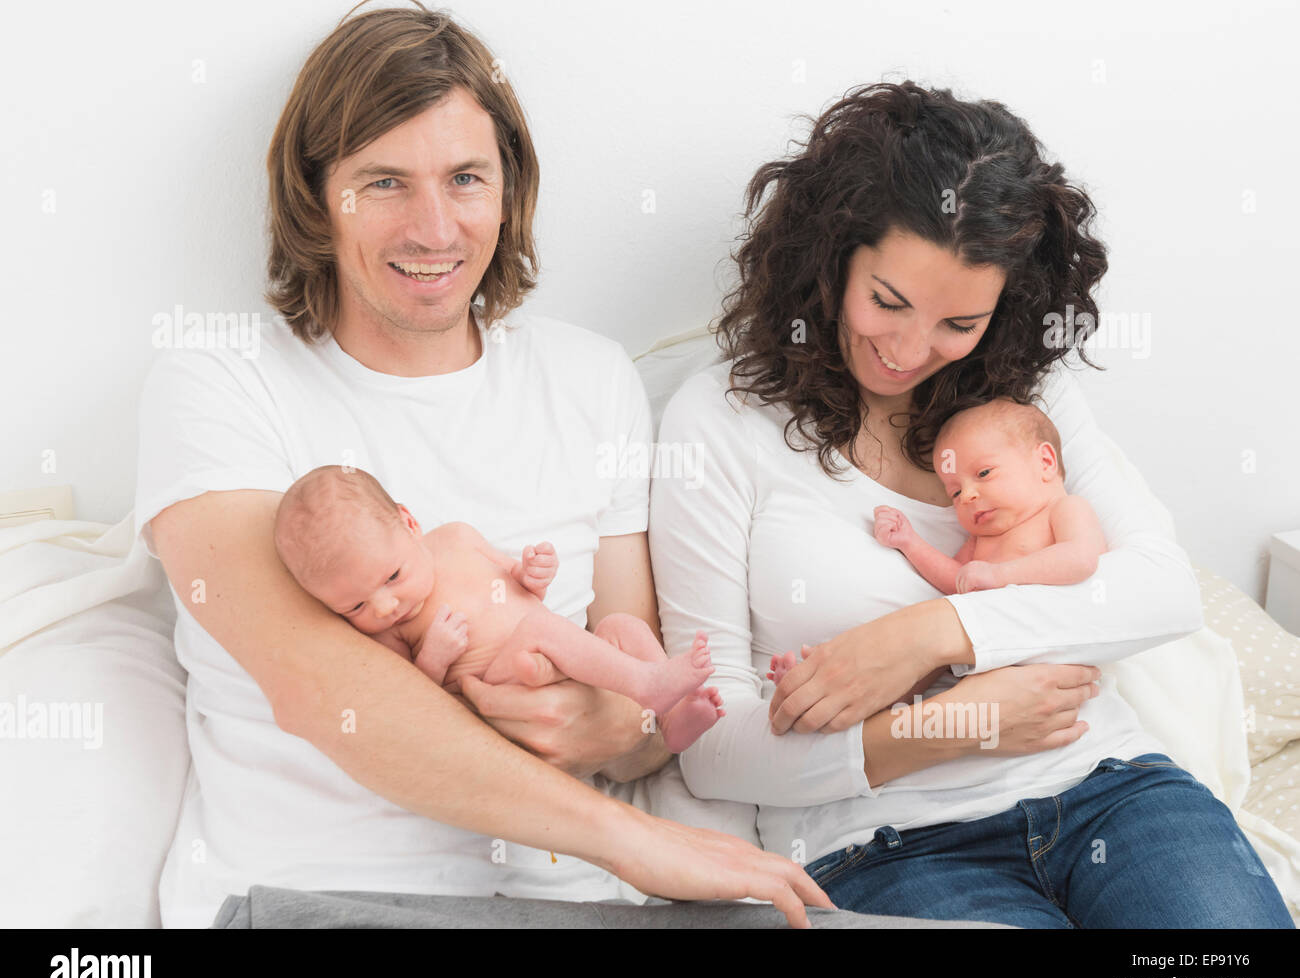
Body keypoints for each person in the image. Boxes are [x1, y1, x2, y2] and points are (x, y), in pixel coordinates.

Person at [134, 5, 840, 928]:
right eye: (384, 182)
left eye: (465, 178)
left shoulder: (589, 381)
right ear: (316, 196)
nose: (434, 228)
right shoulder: (218, 381)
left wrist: (616, 729)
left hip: (572, 907)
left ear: (508, 194)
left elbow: (641, 691)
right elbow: (319, 684)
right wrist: (631, 838)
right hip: (316, 897)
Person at [649, 80, 1294, 928]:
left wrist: (930, 634)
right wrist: (957, 723)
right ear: (831, 254)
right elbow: (713, 751)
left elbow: (1162, 591)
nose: (911, 351)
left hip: (1108, 792)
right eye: (887, 302)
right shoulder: (721, 420)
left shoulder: (1027, 400)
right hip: (886, 843)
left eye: (960, 322)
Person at [272, 465, 724, 751]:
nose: (387, 606)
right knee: (539, 630)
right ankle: (646, 684)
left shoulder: (457, 538)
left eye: (392, 577)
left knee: (620, 624)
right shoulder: (386, 631)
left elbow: (517, 581)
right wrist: (435, 656)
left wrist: (532, 572)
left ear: (409, 524)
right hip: (505, 682)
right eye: (354, 605)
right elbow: (410, 692)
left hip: (566, 656)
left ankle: (670, 718)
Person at [872, 396, 1107, 596]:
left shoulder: (1065, 508)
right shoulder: (981, 539)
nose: (966, 497)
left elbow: (1081, 558)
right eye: (955, 492)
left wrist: (999, 575)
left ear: (1045, 462)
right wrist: (909, 542)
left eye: (984, 473)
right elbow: (958, 581)